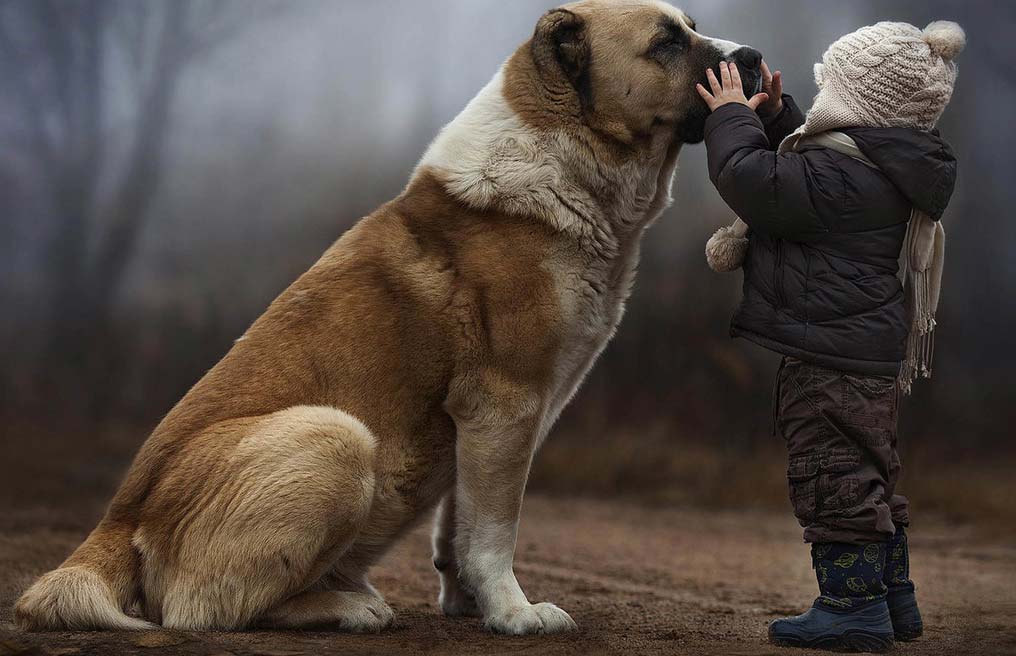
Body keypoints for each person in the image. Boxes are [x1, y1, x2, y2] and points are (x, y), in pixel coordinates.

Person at [694, 20, 965, 653]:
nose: (819, 102)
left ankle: (851, 609)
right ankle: (893, 600)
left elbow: (750, 178)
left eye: (829, 88)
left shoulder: (841, 181)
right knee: (868, 474)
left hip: (829, 359)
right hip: (863, 354)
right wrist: (775, 115)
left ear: (858, 101)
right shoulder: (878, 167)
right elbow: (804, 166)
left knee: (832, 476)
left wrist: (730, 118)